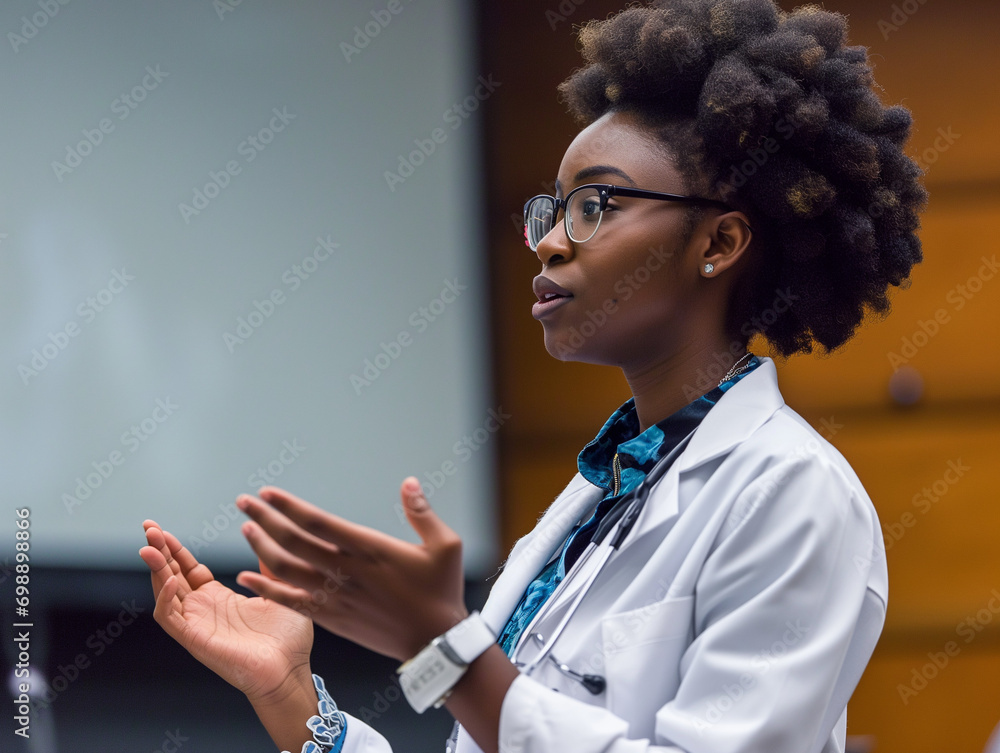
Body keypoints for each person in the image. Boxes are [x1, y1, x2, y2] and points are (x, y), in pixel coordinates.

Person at [139, 1, 927, 751]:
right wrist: (291, 696)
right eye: (550, 213)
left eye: (595, 205)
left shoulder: (793, 494)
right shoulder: (594, 497)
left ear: (717, 241)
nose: (549, 244)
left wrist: (440, 640)